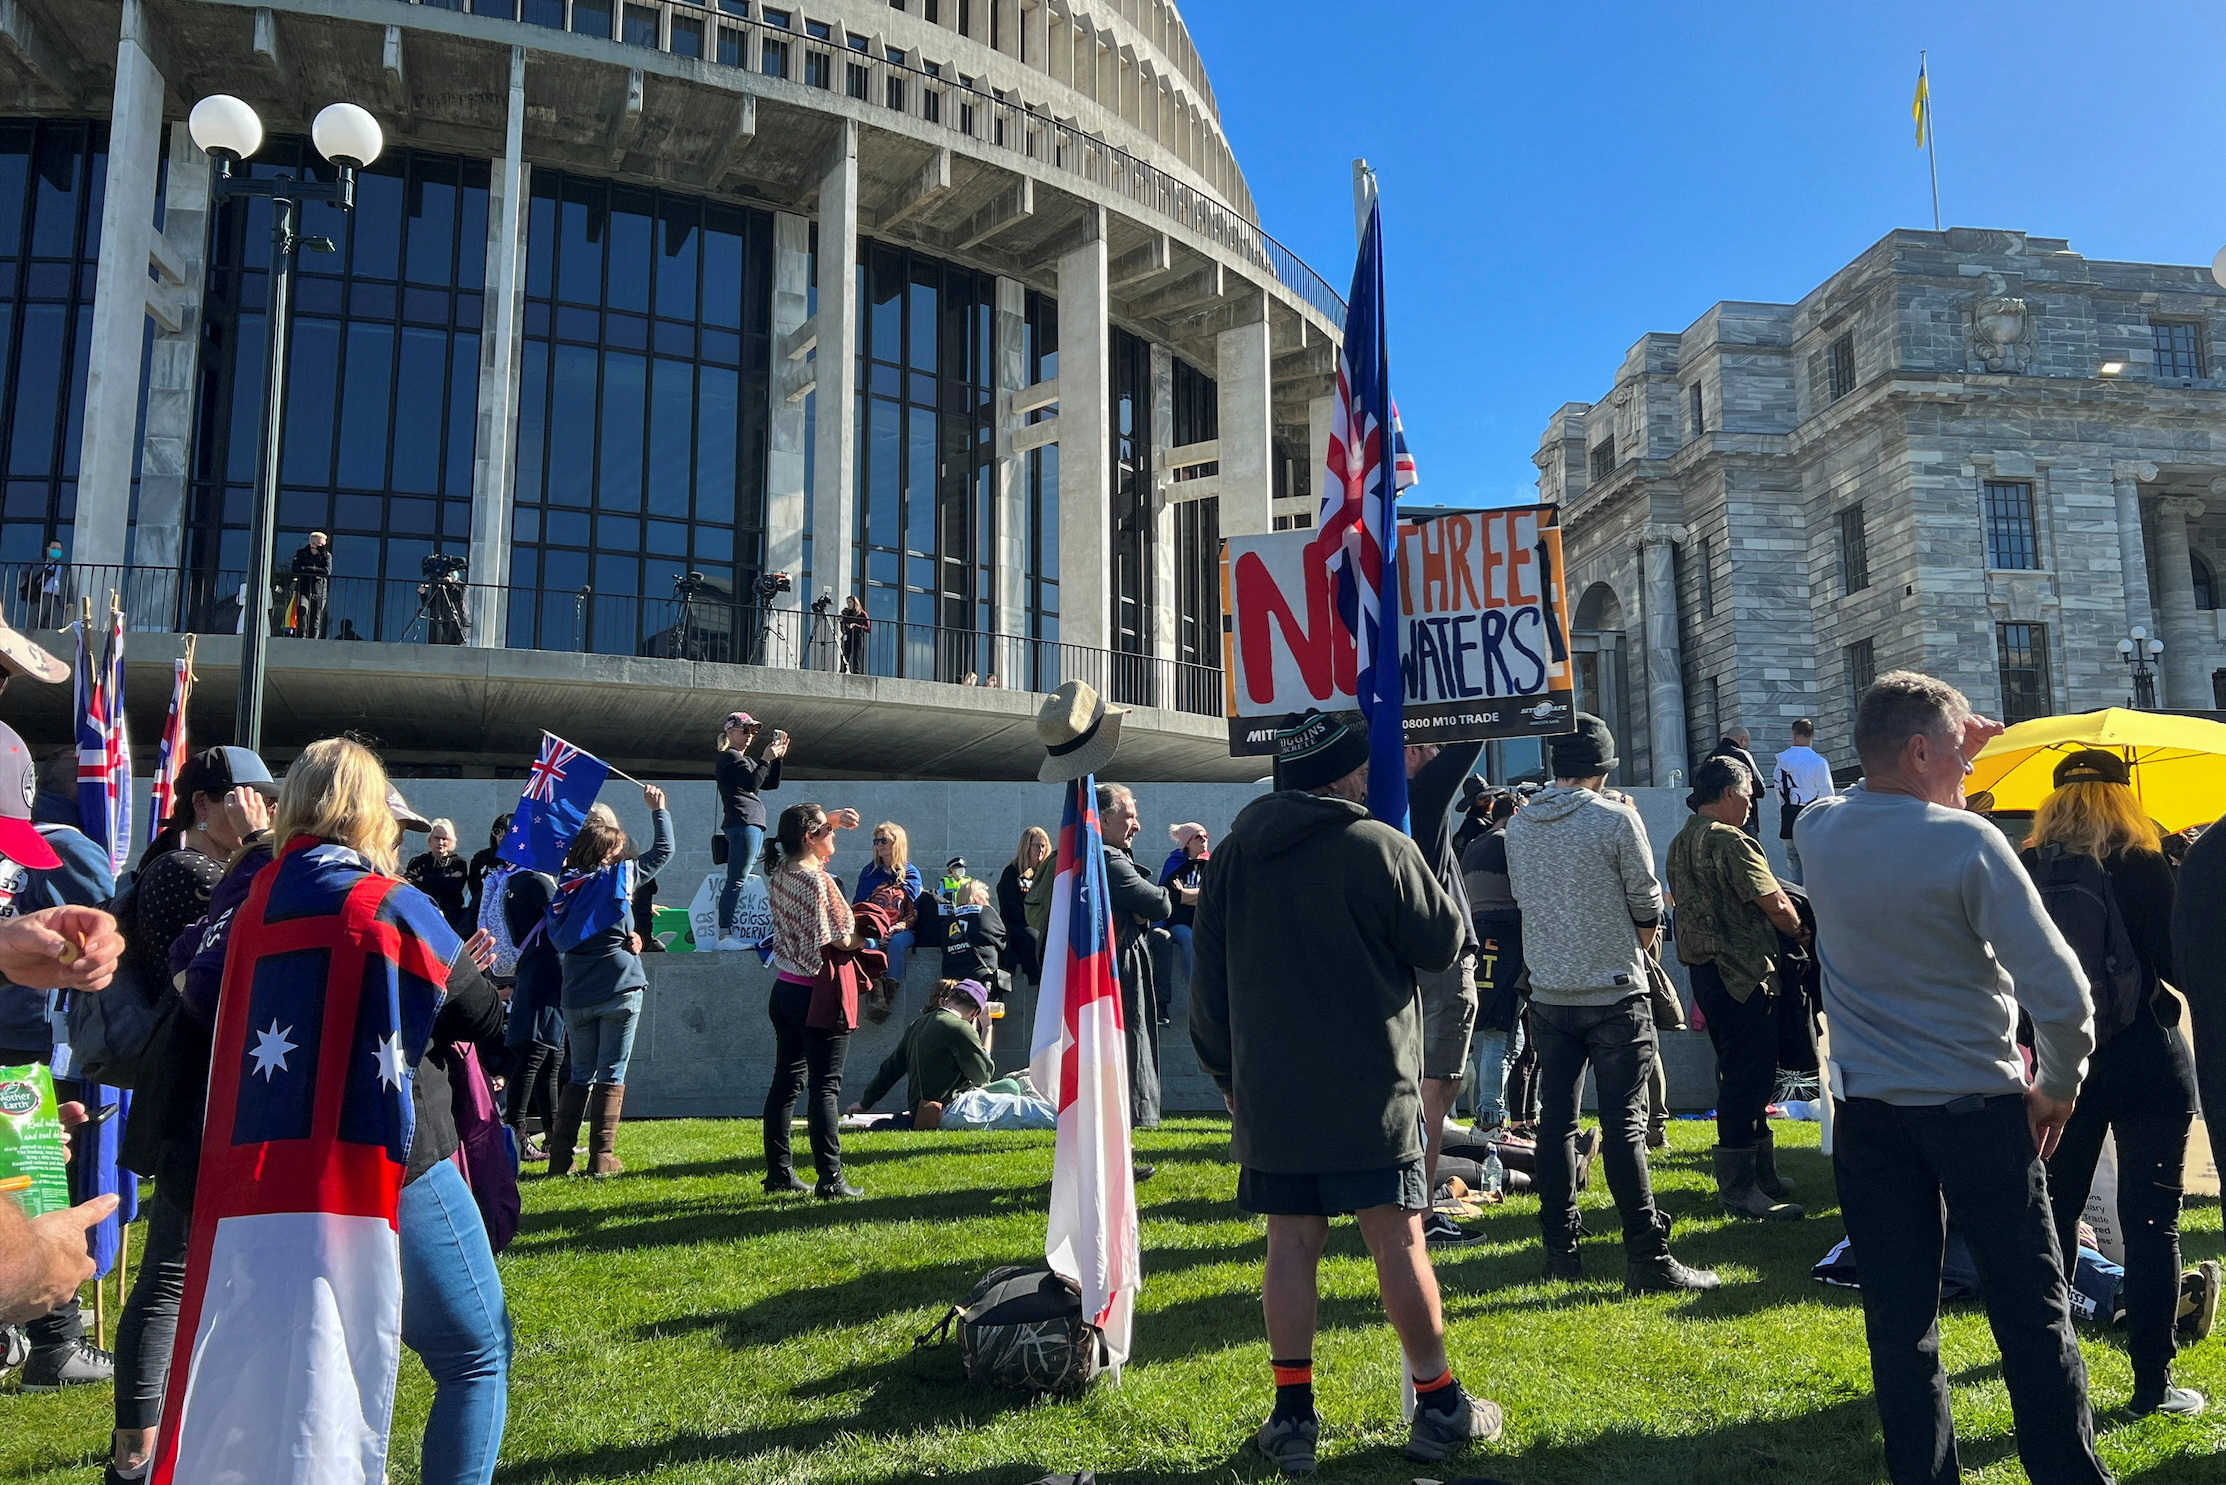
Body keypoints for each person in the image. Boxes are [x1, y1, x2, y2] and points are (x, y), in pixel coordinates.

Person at [149, 737, 511, 1485]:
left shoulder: (248, 901)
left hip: (270, 1181)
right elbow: (484, 1017)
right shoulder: (396, 904)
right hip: (389, 1161)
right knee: (476, 1353)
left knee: (297, 1374)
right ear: (371, 812)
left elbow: (196, 988)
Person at [1796, 671, 2110, 1485]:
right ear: (1922, 750)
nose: (1971, 775)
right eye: (1961, 762)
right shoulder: (1968, 843)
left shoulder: (1816, 830)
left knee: (1901, 1330)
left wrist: (1943, 758)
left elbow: (1869, 805)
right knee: (2031, 1314)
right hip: (1975, 1107)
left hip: (1870, 1115)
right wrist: (2063, 1083)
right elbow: (2065, 992)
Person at [1190, 709, 1501, 1473]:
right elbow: (1442, 940)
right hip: (1373, 1087)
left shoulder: (1230, 855)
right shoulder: (1377, 845)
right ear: (1340, 774)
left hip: (1272, 1092)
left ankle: (1292, 1418)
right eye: (1363, 766)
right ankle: (1440, 1403)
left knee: (1290, 1242)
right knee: (1398, 1238)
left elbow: (1206, 990)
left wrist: (1229, 1079)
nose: (1371, 776)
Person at [1504, 713, 1717, 1292]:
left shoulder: (1520, 827)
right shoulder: (1616, 818)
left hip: (1549, 991)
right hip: (1615, 991)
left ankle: (1560, 1251)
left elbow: (1527, 897)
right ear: (1601, 769)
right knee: (1624, 1125)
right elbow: (1647, 899)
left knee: (1555, 1121)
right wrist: (1643, 937)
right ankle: (1648, 1257)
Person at [2020, 749, 2204, 1416]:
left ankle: (2049, 1364)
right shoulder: (2140, 858)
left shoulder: (2029, 863)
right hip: (2147, 1060)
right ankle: (2152, 1386)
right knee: (2152, 1223)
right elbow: (2178, 962)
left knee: (2057, 1212)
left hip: (2063, 1061)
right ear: (2120, 793)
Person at [0, 731, 115, 1392]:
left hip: (31, 1037)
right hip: (30, 1041)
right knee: (39, 1183)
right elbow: (104, 915)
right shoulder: (61, 844)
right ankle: (54, 1342)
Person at [1665, 756, 1807, 1222]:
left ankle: (1761, 1175)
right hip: (1745, 974)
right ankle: (1741, 1189)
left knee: (1740, 1072)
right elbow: (1776, 901)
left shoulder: (1680, 840)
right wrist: (1800, 932)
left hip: (1707, 974)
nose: (1750, 805)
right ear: (1728, 793)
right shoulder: (1730, 841)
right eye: (1747, 794)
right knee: (1749, 1079)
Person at [545, 788, 671, 1178]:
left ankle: (560, 1159)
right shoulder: (617, 879)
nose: (623, 854)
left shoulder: (564, 888)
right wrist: (659, 811)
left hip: (576, 992)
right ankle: (601, 1158)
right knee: (612, 1073)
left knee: (580, 1073)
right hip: (619, 985)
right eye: (617, 849)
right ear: (605, 855)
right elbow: (663, 851)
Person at [761, 801, 867, 1197]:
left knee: (785, 1084)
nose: (834, 834)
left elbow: (797, 827)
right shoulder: (817, 882)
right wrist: (872, 936)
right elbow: (841, 937)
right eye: (828, 831)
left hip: (785, 989)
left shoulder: (780, 870)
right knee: (825, 1087)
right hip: (816, 992)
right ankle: (831, 1178)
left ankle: (779, 1173)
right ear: (810, 837)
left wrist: (830, 819)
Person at [1405, 739, 1487, 1245]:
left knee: (1417, 1090)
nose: (1437, 754)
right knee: (1436, 1088)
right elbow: (1469, 738)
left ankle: (1403, 1202)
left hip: (1399, 964)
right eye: (1425, 745)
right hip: (1437, 965)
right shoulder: (1416, 796)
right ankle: (1423, 1212)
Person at [1098, 783, 1171, 1143]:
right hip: (1117, 970)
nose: (1137, 825)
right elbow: (1160, 904)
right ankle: (1118, 1153)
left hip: (1113, 966)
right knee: (1126, 1053)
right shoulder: (1108, 860)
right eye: (1129, 816)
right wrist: (1148, 905)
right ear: (1104, 820)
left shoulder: (1093, 857)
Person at [1460, 790, 1527, 1136]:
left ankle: (1487, 1115)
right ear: (1514, 811)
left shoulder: (1474, 845)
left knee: (1488, 1034)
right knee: (1501, 1036)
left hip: (1476, 939)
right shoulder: (1512, 842)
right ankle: (1490, 1116)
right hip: (1508, 939)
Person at [849, 978, 996, 1127]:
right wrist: (986, 1028)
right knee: (1011, 1088)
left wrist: (865, 1102)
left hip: (920, 1109)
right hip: (949, 1108)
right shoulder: (960, 1028)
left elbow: (891, 1068)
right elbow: (983, 1075)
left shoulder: (917, 1024)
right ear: (975, 1013)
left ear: (948, 999)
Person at [500, 864, 563, 1163]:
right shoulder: (535, 880)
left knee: (551, 1056)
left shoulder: (517, 879)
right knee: (535, 1054)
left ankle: (555, 1138)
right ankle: (516, 1135)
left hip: (541, 970)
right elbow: (563, 915)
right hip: (545, 972)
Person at [714, 712, 786, 950]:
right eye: (745, 730)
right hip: (743, 822)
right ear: (731, 731)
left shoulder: (741, 759)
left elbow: (769, 783)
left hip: (747, 822)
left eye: (753, 732)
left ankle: (727, 932)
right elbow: (751, 784)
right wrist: (766, 758)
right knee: (736, 879)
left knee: (738, 878)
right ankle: (725, 934)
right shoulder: (729, 758)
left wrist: (776, 759)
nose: (749, 736)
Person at [852, 821, 925, 1011]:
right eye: (876, 841)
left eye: (884, 840)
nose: (879, 845)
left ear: (897, 842)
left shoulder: (911, 873)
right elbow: (859, 908)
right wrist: (876, 931)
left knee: (897, 944)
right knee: (868, 943)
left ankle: (889, 997)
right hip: (872, 929)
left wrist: (894, 929)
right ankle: (876, 995)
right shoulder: (869, 873)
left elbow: (914, 911)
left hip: (902, 929)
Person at [1773, 717, 1838, 884]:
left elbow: (1779, 795)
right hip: (1812, 822)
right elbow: (1827, 796)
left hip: (1788, 820)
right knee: (1814, 872)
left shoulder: (1780, 764)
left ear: (1793, 735)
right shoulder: (1818, 763)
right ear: (1813, 735)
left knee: (1794, 870)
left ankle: (1797, 907)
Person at [1157, 823, 1210, 998]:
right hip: (1179, 923)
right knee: (1188, 939)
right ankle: (1196, 993)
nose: (1203, 839)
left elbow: (1216, 894)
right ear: (1186, 842)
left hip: (1205, 921)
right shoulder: (1174, 864)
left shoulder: (1211, 864)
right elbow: (1173, 896)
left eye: (1205, 836)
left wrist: (1187, 894)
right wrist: (1201, 895)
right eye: (1197, 837)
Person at [996, 826, 1050, 985]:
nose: (1040, 850)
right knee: (1033, 938)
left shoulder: (1048, 873)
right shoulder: (1012, 872)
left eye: (1043, 846)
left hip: (1045, 923)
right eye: (1036, 845)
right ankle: (1038, 982)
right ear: (1026, 847)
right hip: (1019, 925)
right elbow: (1008, 907)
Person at [408, 817, 476, 939]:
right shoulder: (418, 862)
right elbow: (409, 883)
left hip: (451, 919)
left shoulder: (458, 863)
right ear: (429, 839)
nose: (440, 842)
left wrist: (424, 879)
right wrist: (444, 878)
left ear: (451, 841)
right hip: (423, 916)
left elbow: (454, 887)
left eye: (444, 838)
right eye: (436, 838)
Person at [939, 878, 1005, 989]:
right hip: (981, 976)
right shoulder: (985, 912)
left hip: (952, 978)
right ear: (975, 897)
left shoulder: (949, 919)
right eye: (986, 899)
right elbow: (1002, 940)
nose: (988, 903)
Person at [1703, 725, 1766, 838]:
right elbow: (1759, 789)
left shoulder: (1710, 758)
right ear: (1743, 740)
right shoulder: (1742, 755)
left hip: (1714, 822)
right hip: (1742, 819)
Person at [466, 813, 512, 926]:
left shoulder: (522, 860)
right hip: (481, 911)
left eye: (506, 831)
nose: (501, 837)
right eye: (497, 832)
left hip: (510, 912)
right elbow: (473, 884)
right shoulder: (482, 857)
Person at [288, 530, 331, 637]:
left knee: (315, 618)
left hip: (319, 591)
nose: (323, 547)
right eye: (321, 544)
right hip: (303, 589)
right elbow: (295, 569)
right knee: (302, 610)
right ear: (313, 544)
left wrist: (306, 569)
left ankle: (313, 641)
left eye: (324, 545)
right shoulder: (301, 553)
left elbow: (326, 571)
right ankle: (300, 636)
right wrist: (315, 571)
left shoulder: (327, 556)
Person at [18, 540, 65, 629]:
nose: (57, 551)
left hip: (57, 600)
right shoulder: (38, 563)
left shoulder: (64, 567)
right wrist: (22, 582)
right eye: (54, 548)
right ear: (48, 550)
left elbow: (68, 583)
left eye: (59, 549)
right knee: (34, 624)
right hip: (39, 597)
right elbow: (24, 573)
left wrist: (70, 601)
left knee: (53, 626)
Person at [838, 595, 871, 674]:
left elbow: (868, 628)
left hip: (857, 636)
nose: (848, 604)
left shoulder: (862, 614)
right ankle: (842, 670)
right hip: (848, 635)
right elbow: (843, 628)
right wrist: (842, 621)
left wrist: (856, 625)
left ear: (855, 603)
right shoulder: (847, 613)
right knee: (844, 654)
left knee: (856, 655)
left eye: (850, 602)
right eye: (847, 602)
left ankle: (856, 672)